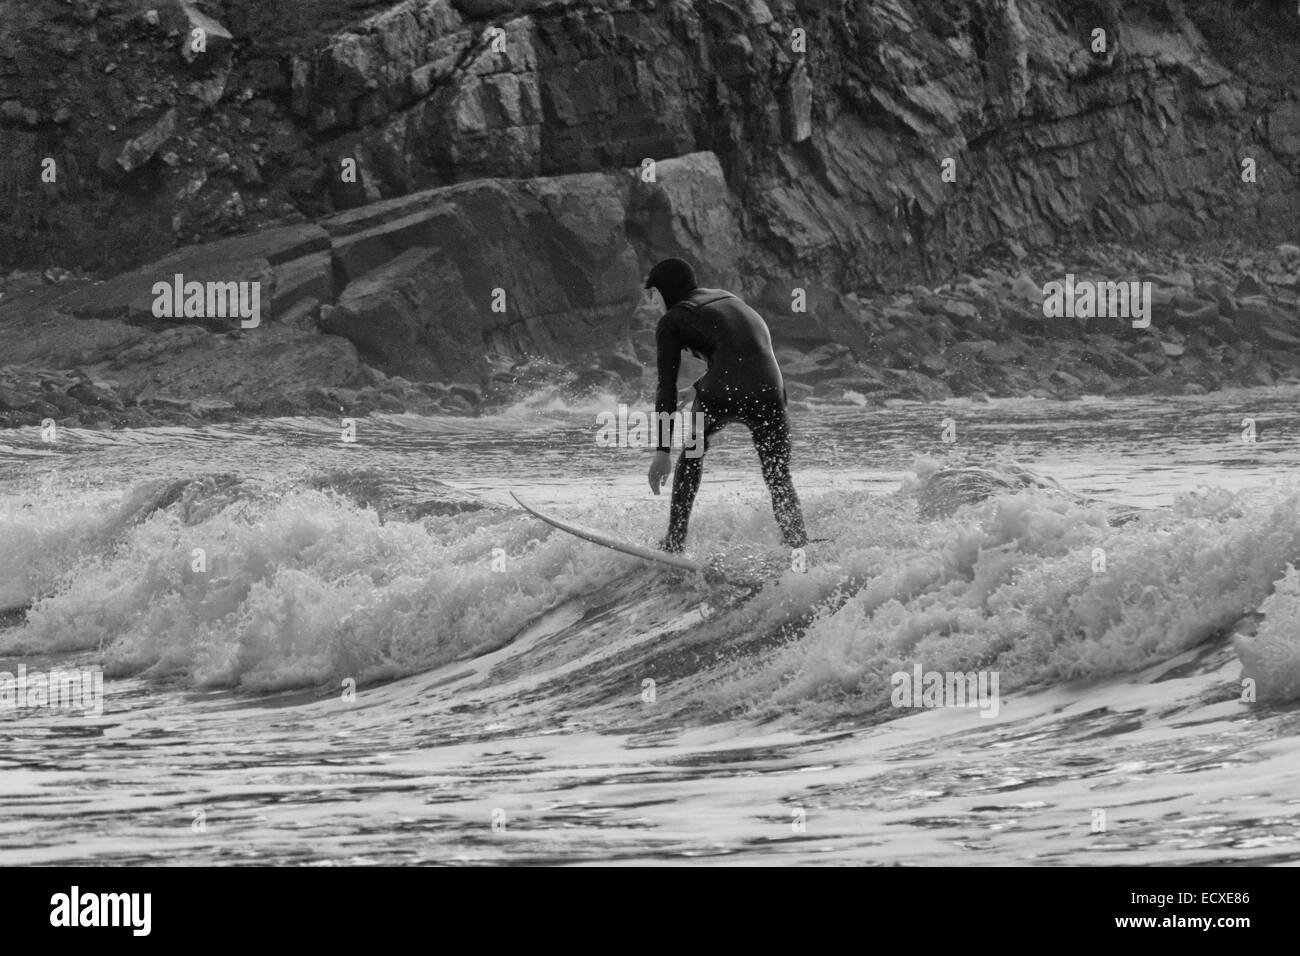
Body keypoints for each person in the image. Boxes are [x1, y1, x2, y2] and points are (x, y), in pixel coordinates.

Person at [643, 257, 808, 553]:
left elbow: (665, 386)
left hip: (723, 389)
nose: (653, 303)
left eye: (652, 295)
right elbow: (742, 350)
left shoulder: (673, 320)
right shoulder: (728, 299)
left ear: (664, 290)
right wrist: (698, 388)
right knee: (778, 474)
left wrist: (662, 451)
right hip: (771, 389)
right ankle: (797, 545)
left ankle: (674, 541)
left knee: (692, 452)